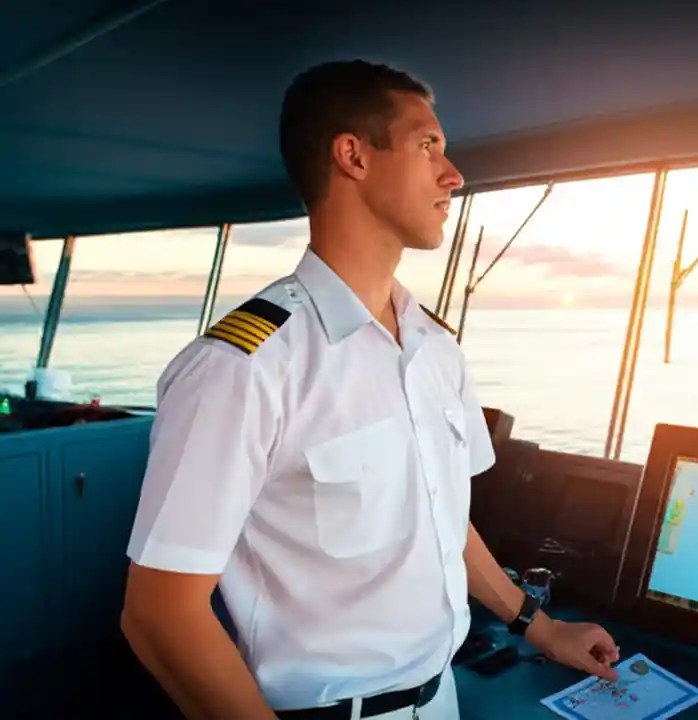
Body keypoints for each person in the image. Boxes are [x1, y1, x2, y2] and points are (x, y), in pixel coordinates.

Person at [120, 59, 620, 720]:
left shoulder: (436, 349)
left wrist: (540, 626)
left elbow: (443, 520)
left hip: (442, 700)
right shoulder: (246, 366)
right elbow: (160, 616)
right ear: (353, 156)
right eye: (428, 146)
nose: (454, 173)